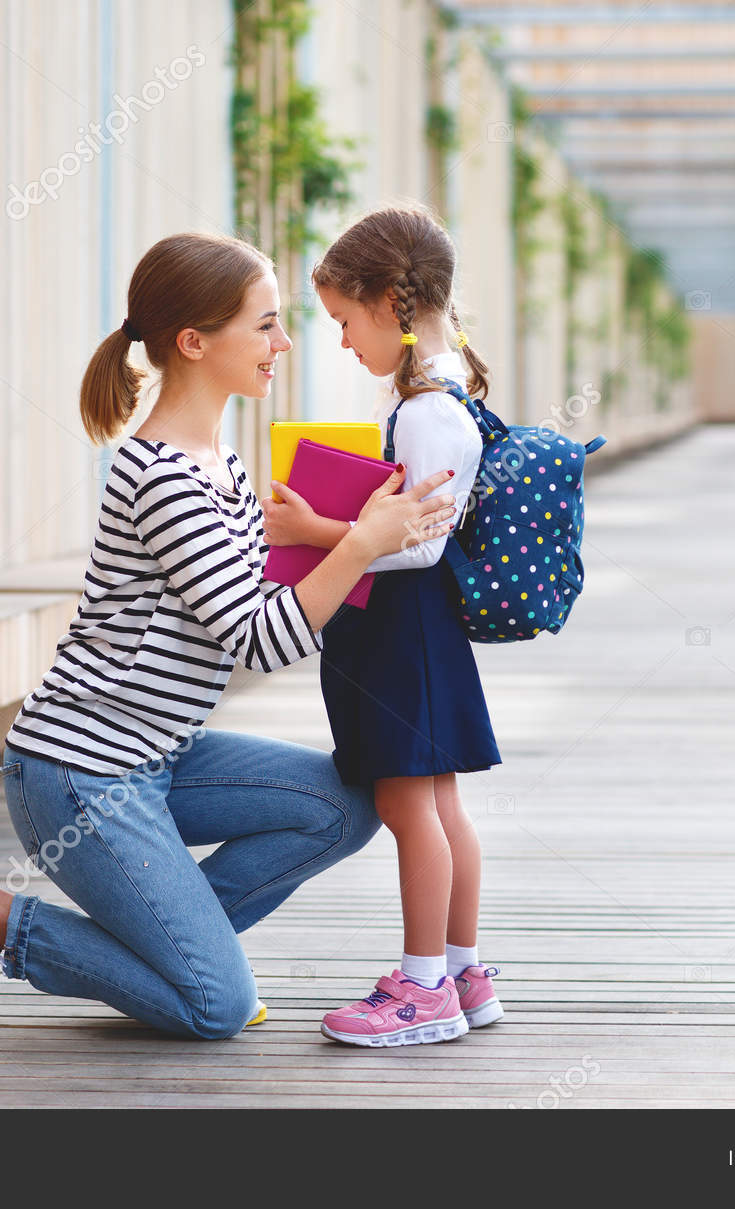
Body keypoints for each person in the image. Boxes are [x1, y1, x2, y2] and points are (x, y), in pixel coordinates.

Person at [0, 231, 459, 1039]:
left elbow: (259, 592)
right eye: (264, 325)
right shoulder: (163, 477)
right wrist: (362, 541)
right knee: (214, 1007)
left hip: (160, 754)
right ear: (194, 342)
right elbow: (259, 638)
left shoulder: (220, 464)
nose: (284, 342)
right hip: (78, 773)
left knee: (346, 803)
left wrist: (342, 528)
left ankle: (176, 955)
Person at [262, 206, 503, 1047]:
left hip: (400, 636)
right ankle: (462, 969)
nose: (339, 341)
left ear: (390, 303)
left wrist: (311, 533)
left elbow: (417, 547)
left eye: (343, 320)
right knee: (440, 807)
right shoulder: (443, 396)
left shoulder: (425, 410)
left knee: (412, 812)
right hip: (418, 639)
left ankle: (424, 985)